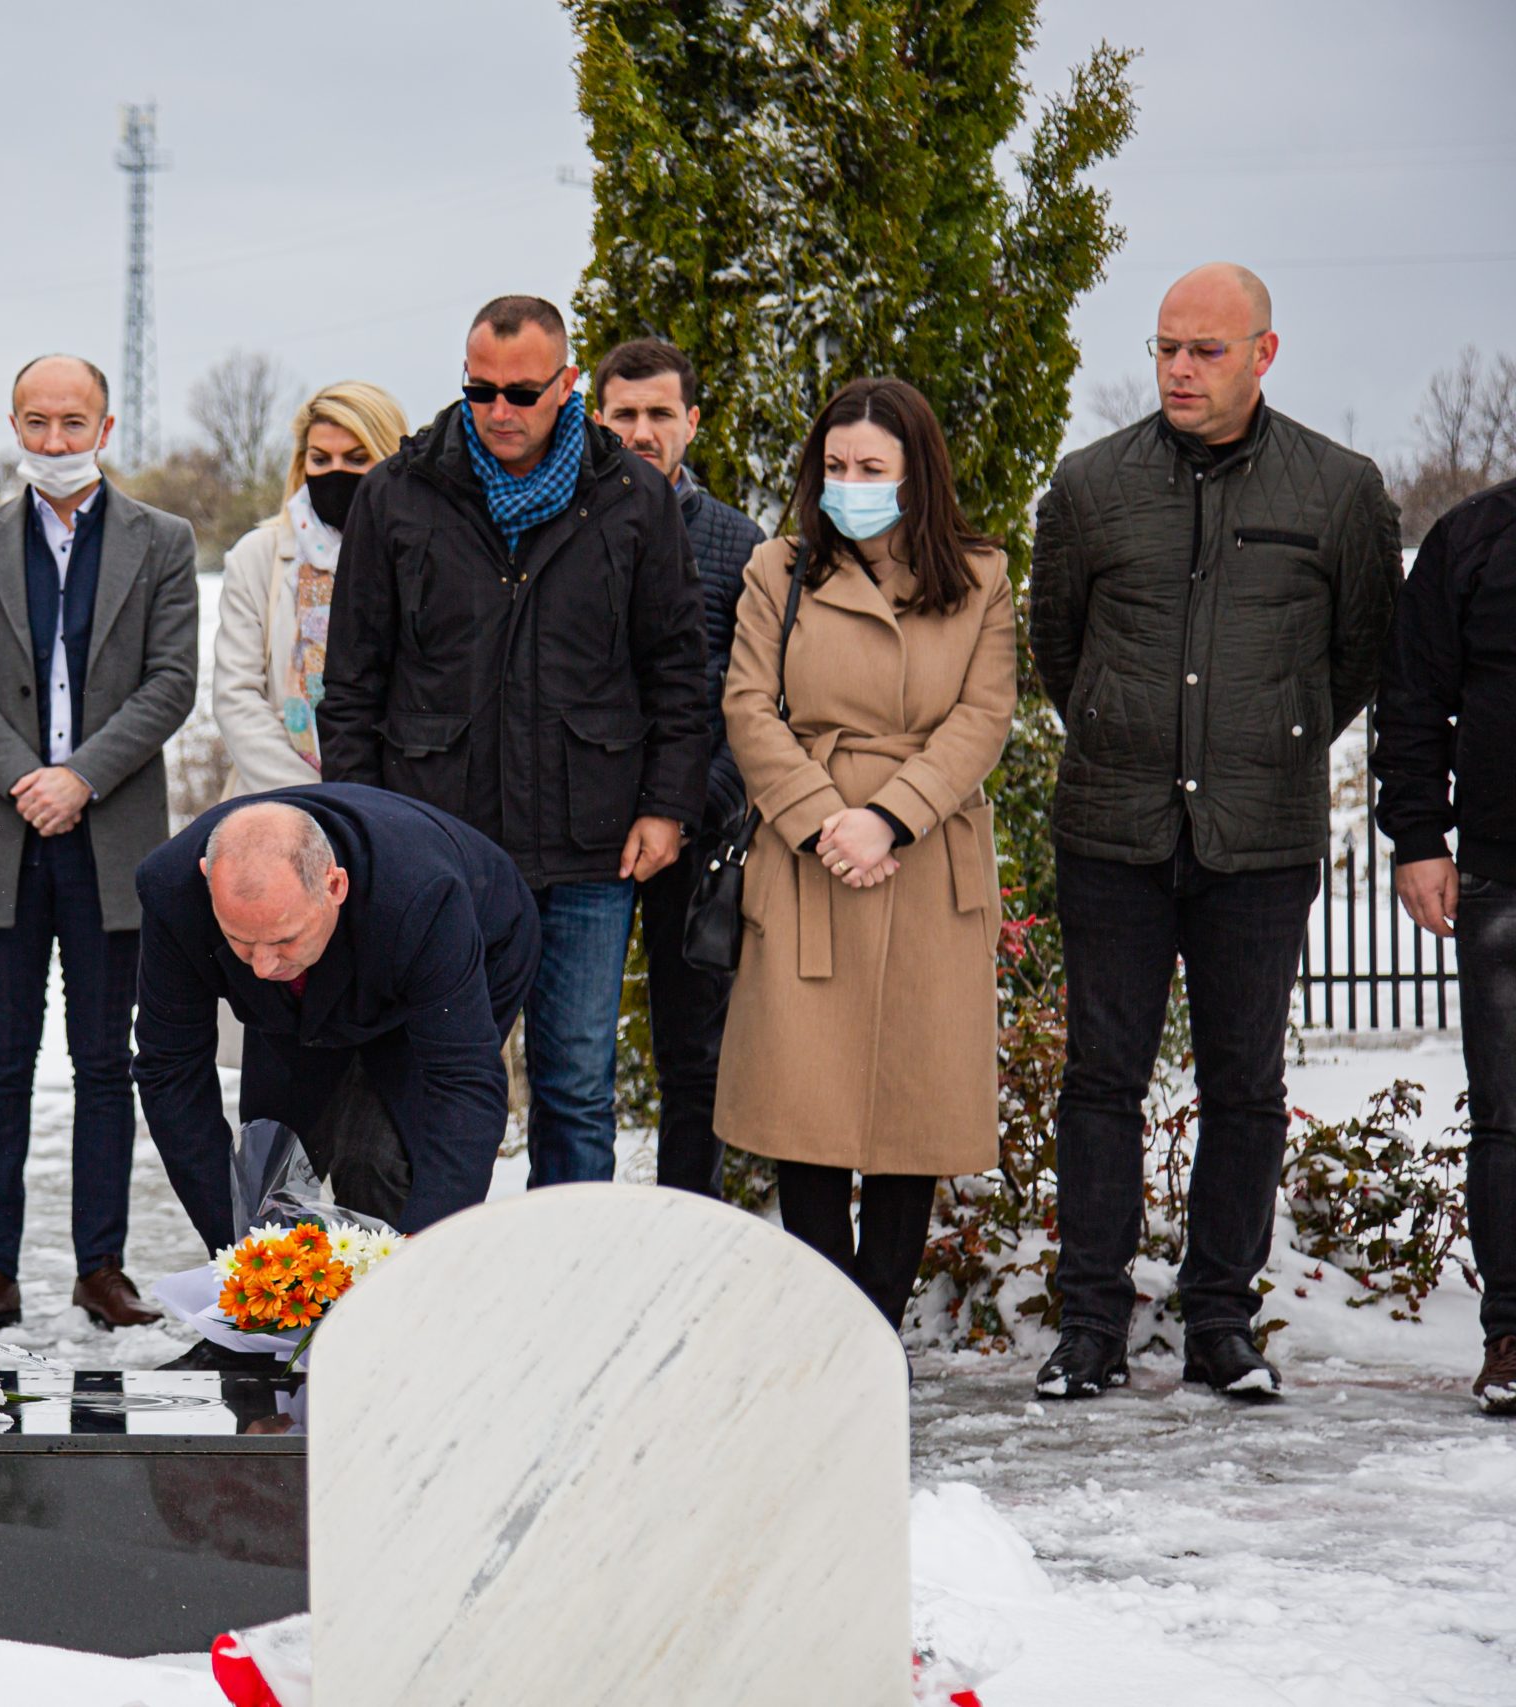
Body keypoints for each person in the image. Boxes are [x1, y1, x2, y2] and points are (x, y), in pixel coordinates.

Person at [1029, 263, 1401, 1401]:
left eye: (1203, 351)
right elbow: (1057, 645)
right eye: (1163, 349)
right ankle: (1088, 1324)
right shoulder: (1091, 487)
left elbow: (1357, 656)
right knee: (1102, 1079)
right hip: (1114, 829)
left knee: (1243, 1082)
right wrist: (1118, 727)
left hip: (1258, 835)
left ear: (1262, 354)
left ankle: (1219, 1324)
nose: (1178, 370)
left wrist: (1273, 738)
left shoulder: (1338, 491)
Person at [318, 295, 709, 1191]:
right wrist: (362, 827)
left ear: (567, 386)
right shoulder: (399, 493)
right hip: (437, 846)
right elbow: (352, 685)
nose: (499, 410)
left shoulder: (633, 499)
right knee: (431, 1076)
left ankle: (568, 1294)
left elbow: (679, 672)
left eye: (523, 392)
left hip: (590, 847)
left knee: (575, 1087)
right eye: (480, 389)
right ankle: (423, 1282)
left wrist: (667, 805)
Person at [715, 377, 1017, 1337]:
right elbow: (747, 706)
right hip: (810, 857)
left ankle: (877, 1331)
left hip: (926, 861)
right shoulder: (781, 570)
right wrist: (821, 818)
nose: (851, 483)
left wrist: (888, 817)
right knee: (805, 1107)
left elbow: (983, 716)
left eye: (872, 468)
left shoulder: (979, 576)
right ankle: (829, 1332)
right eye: (836, 466)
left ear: (914, 474)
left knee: (909, 1112)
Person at [0, 353, 198, 1329]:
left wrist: (80, 776)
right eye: (36, 423)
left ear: (106, 428)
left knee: (102, 1062)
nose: (54, 442)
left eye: (71, 423)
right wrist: (24, 780)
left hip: (110, 831)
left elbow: (170, 681)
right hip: (2, 836)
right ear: (14, 426)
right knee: (0, 1060)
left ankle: (101, 1268)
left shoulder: (162, 541)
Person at [132, 785, 541, 1246]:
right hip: (306, 995)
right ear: (208, 879)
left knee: (378, 1157)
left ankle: (394, 1306)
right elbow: (170, 1070)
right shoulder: (172, 890)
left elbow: (463, 1083)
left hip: (460, 950)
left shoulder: (422, 896)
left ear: (334, 885)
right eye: (240, 941)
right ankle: (293, 1305)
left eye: (283, 939)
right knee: (272, 1163)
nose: (263, 966)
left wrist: (422, 1247)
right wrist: (239, 1247)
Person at [588, 337, 765, 1198]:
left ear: (692, 422)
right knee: (571, 1057)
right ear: (596, 418)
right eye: (624, 413)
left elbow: (758, 695)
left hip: (693, 835)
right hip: (578, 834)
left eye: (661, 413)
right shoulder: (563, 526)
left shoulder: (738, 542)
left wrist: (696, 806)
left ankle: (688, 1229)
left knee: (694, 1061)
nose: (643, 430)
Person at [1372, 472, 1516, 1415]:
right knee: (1509, 1119)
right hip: (1505, 875)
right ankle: (1511, 1332)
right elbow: (1414, 697)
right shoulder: (1473, 538)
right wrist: (1419, 836)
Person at [214, 382, 409, 796]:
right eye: (321, 459)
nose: (336, 472)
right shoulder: (259, 556)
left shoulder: (417, 557)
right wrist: (314, 797)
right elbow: (237, 697)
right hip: (275, 804)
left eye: (357, 458)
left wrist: (371, 801)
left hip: (390, 805)